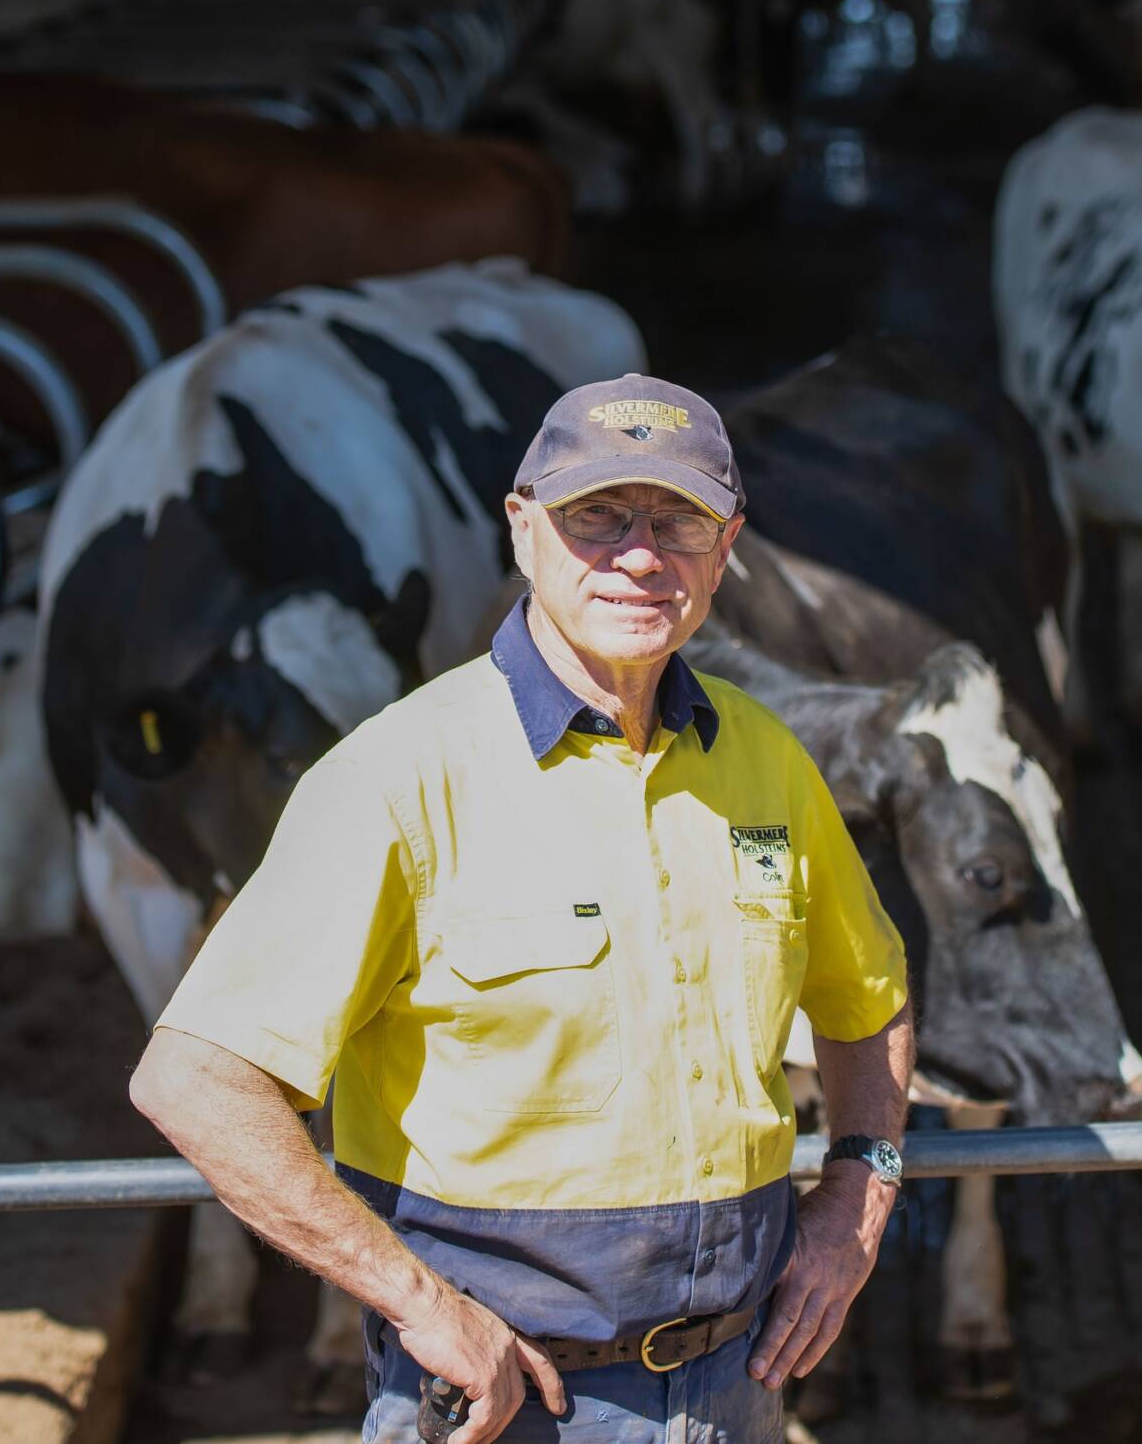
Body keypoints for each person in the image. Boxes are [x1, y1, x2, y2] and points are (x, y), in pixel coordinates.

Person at [129, 372, 915, 1443]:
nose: (640, 554)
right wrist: (418, 1304)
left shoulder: (767, 759)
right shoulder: (401, 776)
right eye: (596, 514)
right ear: (522, 527)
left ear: (725, 546)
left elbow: (867, 996)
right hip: (506, 1406)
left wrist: (857, 1195)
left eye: (677, 519)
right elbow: (195, 1078)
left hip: (741, 1390)